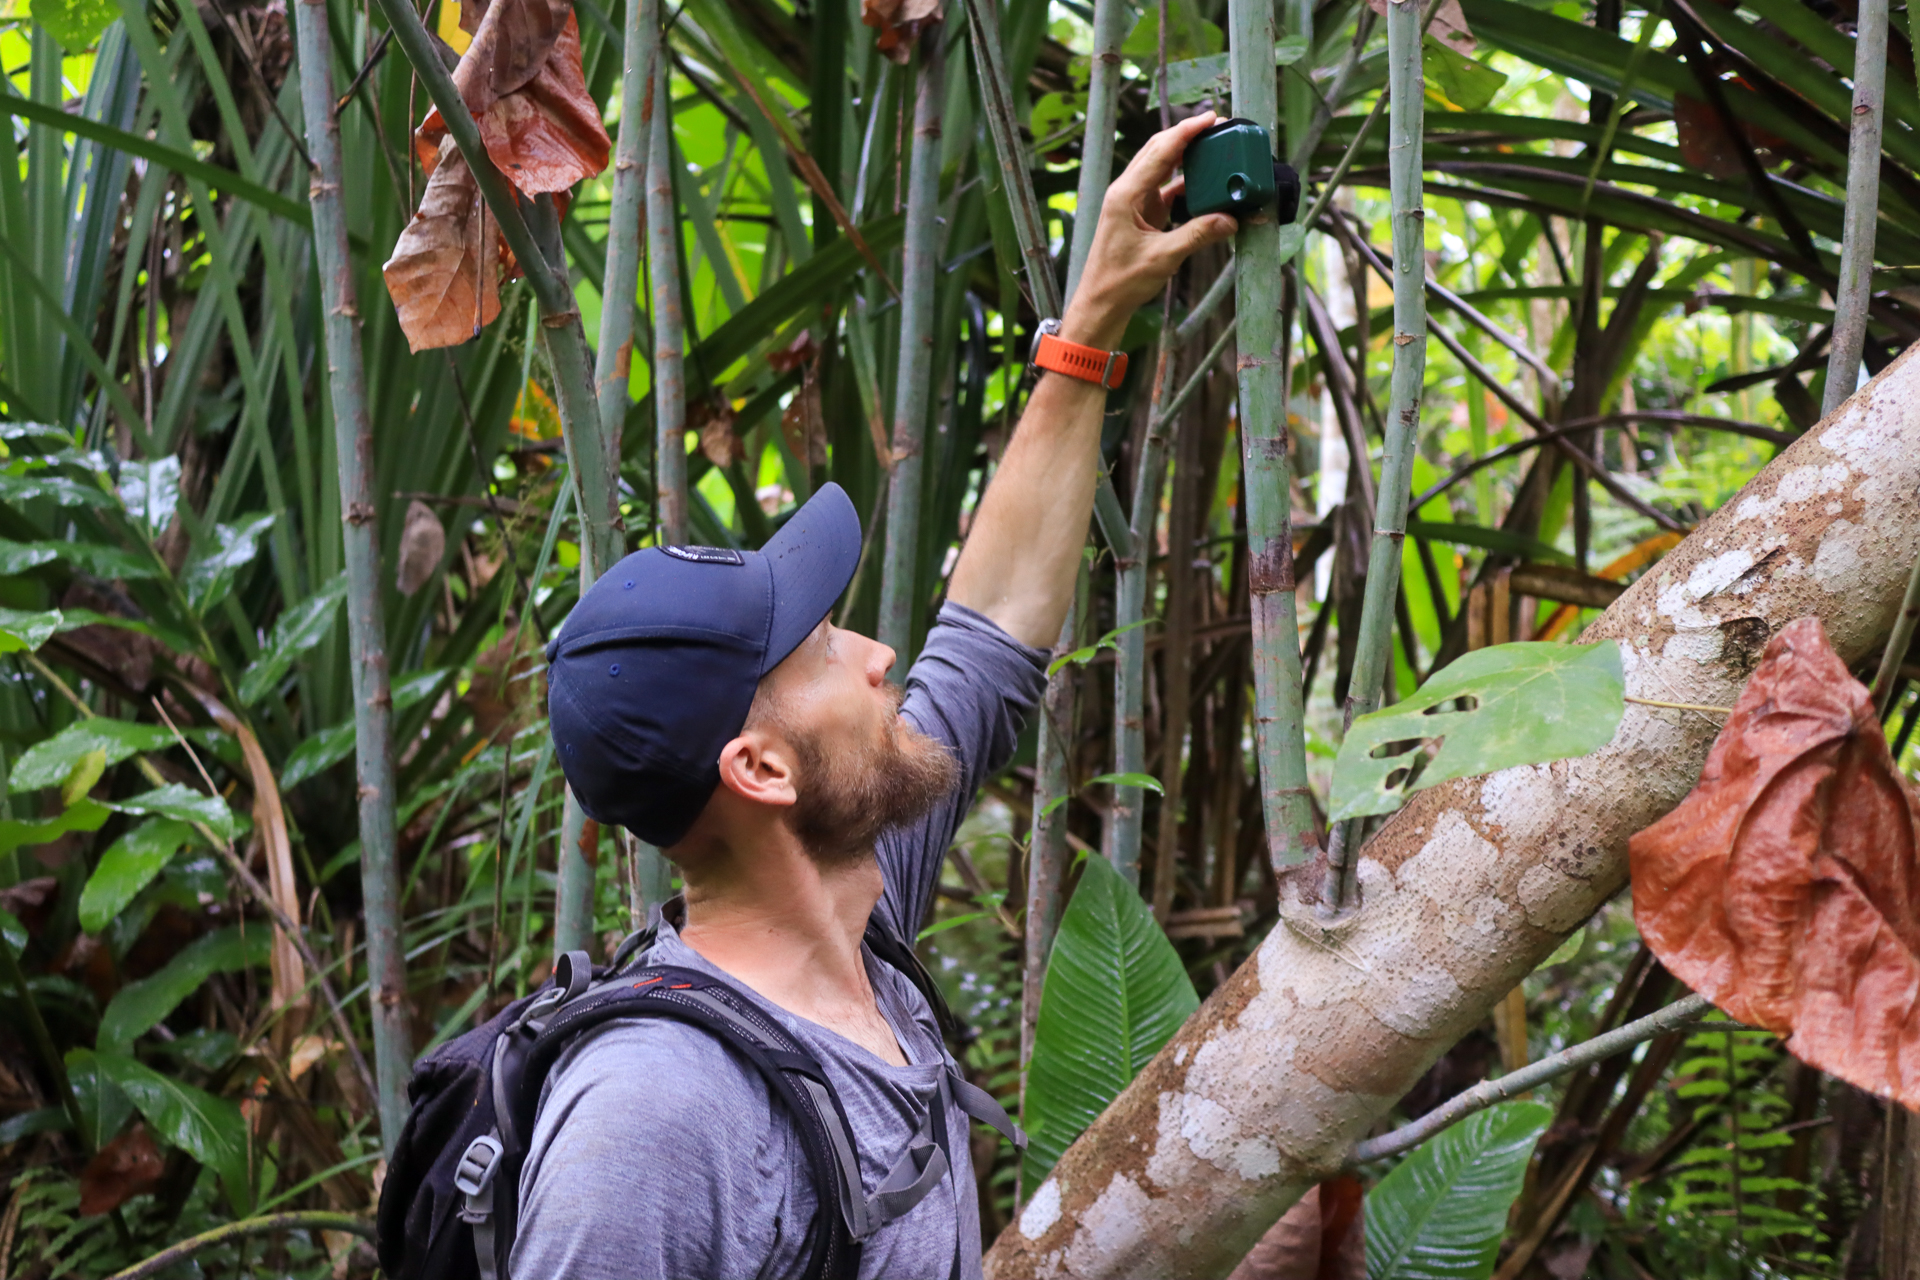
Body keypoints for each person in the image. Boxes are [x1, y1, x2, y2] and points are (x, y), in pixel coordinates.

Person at [516, 113, 1238, 1280]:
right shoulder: (651, 1115)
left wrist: (1094, 319)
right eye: (821, 649)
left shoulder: (861, 903)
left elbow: (993, 630)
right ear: (760, 767)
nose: (880, 653)